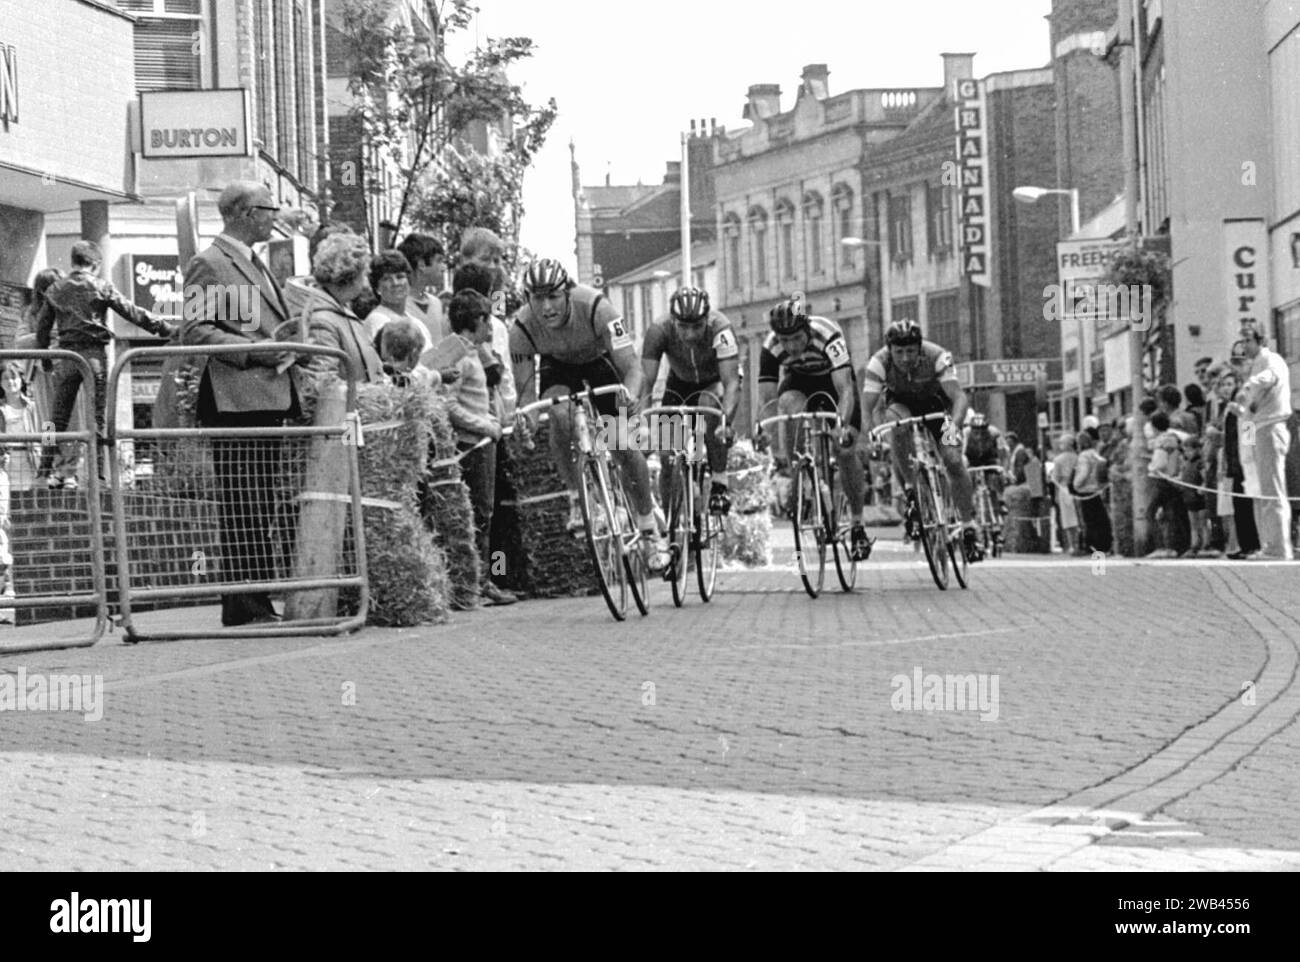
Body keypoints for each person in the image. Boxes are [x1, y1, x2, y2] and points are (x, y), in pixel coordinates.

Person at [181, 180, 301, 628]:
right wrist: (254, 350)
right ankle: (244, 606)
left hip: (267, 395)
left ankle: (256, 602)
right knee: (243, 505)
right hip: (236, 400)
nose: (276, 217)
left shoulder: (257, 263)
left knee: (260, 504)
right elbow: (193, 332)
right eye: (270, 209)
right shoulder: (209, 262)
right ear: (247, 213)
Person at [508, 258, 662, 566]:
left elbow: (632, 367)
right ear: (528, 299)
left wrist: (628, 396)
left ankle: (648, 528)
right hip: (558, 366)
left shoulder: (597, 307)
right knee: (558, 414)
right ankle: (577, 499)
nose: (547, 307)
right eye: (538, 298)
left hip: (601, 361)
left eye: (553, 296)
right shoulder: (521, 328)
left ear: (568, 292)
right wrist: (525, 424)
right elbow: (527, 398)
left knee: (622, 443)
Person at [34, 240, 175, 488]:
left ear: (73, 262)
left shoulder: (56, 288)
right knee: (96, 419)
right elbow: (133, 312)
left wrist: (45, 359)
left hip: (66, 357)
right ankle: (97, 476)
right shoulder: (100, 286)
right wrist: (165, 328)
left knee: (54, 419)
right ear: (96, 265)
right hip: (94, 357)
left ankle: (43, 470)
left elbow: (42, 328)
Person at [756, 298, 873, 561]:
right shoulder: (771, 345)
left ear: (807, 329)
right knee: (790, 405)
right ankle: (804, 471)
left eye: (796, 338)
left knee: (845, 451)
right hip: (799, 383)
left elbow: (844, 390)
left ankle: (857, 524)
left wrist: (841, 426)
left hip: (833, 384)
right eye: (785, 340)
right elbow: (767, 399)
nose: (791, 346)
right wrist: (763, 430)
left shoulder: (827, 334)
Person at [861, 319, 981, 562]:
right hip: (902, 404)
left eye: (911, 351)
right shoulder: (878, 362)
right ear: (890, 350)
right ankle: (912, 492)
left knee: (953, 460)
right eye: (899, 352)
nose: (905, 357)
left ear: (920, 347)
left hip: (939, 406)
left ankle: (968, 527)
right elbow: (867, 408)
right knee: (897, 424)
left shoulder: (937, 356)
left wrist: (954, 429)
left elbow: (958, 397)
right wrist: (873, 434)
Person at [431, 291, 517, 607]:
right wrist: (485, 426)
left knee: (486, 513)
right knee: (481, 513)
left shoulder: (473, 353)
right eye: (487, 321)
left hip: (484, 442)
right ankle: (478, 581)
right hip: (474, 445)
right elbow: (449, 404)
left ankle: (486, 577)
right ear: (477, 321)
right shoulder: (461, 357)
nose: (491, 328)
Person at [638, 286, 741, 515]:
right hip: (679, 384)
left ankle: (719, 483)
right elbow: (646, 381)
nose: (691, 334)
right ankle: (672, 526)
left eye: (697, 326)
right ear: (673, 321)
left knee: (709, 407)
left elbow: (732, 383)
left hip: (713, 381)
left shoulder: (721, 329)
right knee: (666, 456)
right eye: (683, 327)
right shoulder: (659, 330)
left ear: (707, 319)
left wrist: (725, 423)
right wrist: (643, 423)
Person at [1237, 324, 1293, 560]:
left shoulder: (1271, 360)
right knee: (1262, 492)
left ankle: (1278, 547)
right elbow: (1249, 416)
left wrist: (1248, 386)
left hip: (1270, 429)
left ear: (1260, 341)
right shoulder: (1254, 371)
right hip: (1257, 434)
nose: (1244, 347)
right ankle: (1269, 543)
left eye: (1248, 341)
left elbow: (1268, 377)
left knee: (1272, 491)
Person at [300, 233, 385, 385]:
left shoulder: (339, 309)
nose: (366, 282)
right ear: (351, 277)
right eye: (364, 274)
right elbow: (322, 384)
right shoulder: (322, 320)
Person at [458, 229, 517, 421]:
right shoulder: (455, 302)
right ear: (465, 260)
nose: (492, 266)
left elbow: (497, 317)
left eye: (497, 261)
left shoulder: (497, 288)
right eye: (485, 259)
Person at [396, 233, 448, 344]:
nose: (444, 267)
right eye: (439, 261)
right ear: (422, 265)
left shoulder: (436, 303)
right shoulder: (399, 306)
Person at [1072, 430, 1112, 554]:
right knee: (1100, 518)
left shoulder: (1084, 456)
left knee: (1088, 520)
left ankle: (1090, 546)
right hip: (1097, 489)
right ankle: (1103, 544)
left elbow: (1083, 473)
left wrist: (1075, 484)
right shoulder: (1095, 453)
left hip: (1086, 491)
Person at [963, 410, 1007, 507]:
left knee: (997, 474)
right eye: (976, 432)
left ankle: (1001, 500)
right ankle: (969, 503)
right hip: (972, 459)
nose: (979, 436)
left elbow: (1003, 452)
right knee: (967, 477)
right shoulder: (965, 433)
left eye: (982, 432)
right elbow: (962, 453)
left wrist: (1003, 468)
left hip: (989, 459)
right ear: (971, 429)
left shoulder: (995, 433)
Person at [1048, 432, 1081, 555]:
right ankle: (1080, 544)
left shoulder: (1058, 459)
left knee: (1067, 519)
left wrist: (1056, 494)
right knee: (1078, 517)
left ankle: (1071, 545)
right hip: (1078, 489)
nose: (1060, 445)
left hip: (1064, 489)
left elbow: (1055, 478)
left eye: (1062, 442)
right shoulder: (1078, 457)